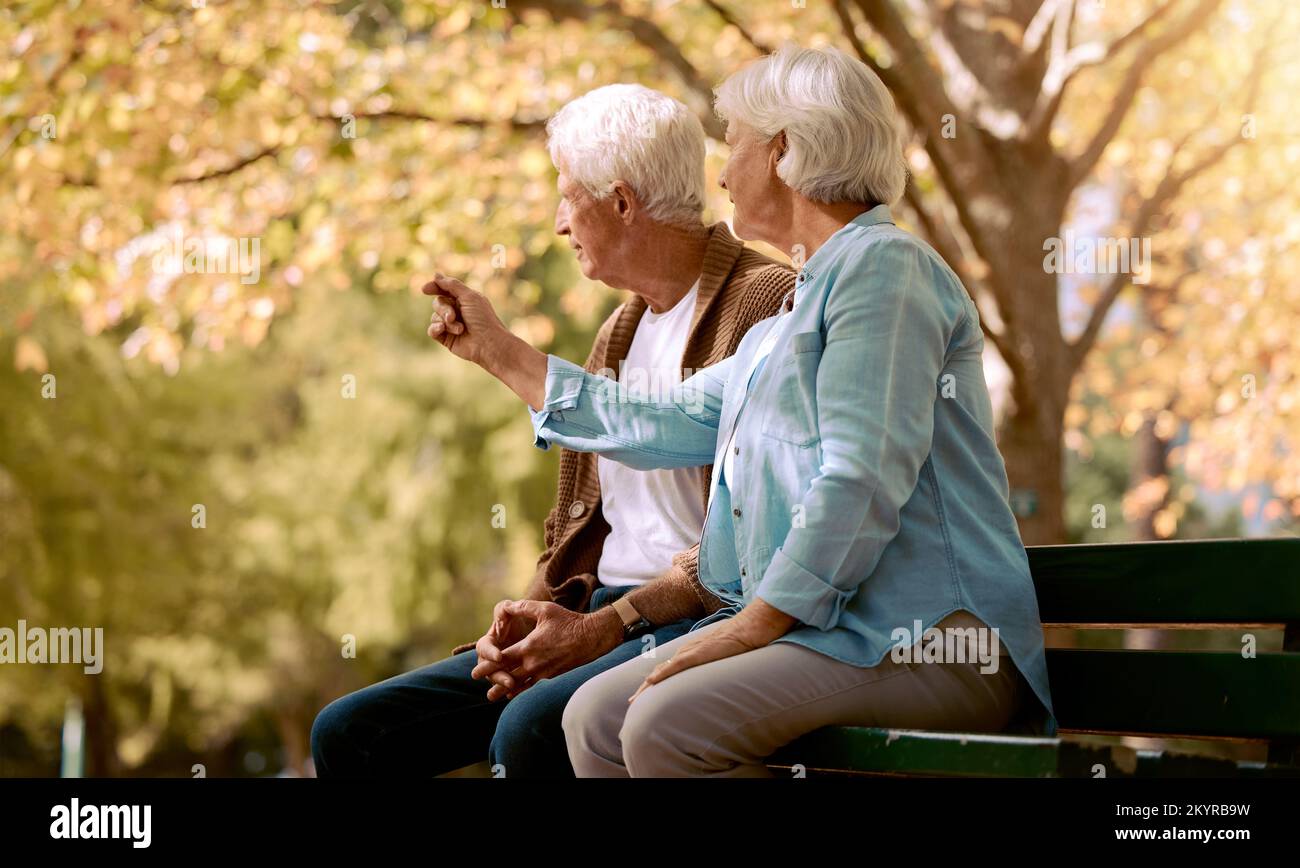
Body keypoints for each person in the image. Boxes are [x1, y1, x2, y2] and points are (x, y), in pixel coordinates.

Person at [421, 44, 1056, 778]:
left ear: (784, 152)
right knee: (594, 718)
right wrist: (500, 352)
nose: (720, 173)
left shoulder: (886, 270)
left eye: (736, 147)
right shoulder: (783, 324)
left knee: (663, 724)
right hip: (835, 635)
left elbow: (860, 478)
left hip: (928, 642)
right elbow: (654, 422)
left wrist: (753, 625)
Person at [310, 84, 793, 777]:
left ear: (622, 202)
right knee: (351, 732)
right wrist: (514, 627)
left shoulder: (767, 303)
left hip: (693, 617)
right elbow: (579, 528)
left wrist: (606, 627)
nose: (560, 223)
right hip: (592, 610)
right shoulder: (619, 333)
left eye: (569, 197)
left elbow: (749, 545)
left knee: (531, 732)